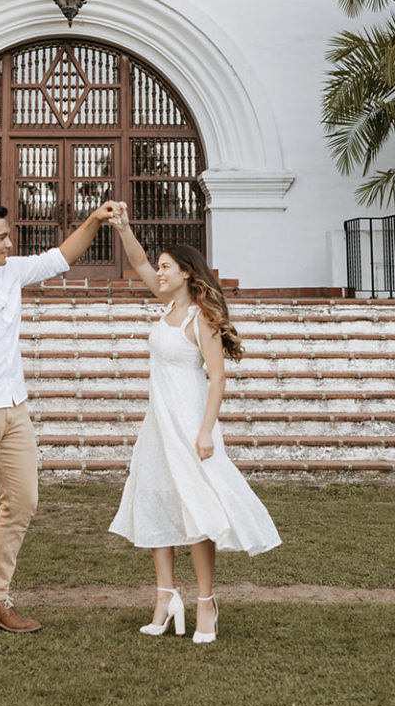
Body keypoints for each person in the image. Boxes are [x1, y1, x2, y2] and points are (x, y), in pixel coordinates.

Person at [0, 199, 119, 649]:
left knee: (25, 501)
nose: (10, 244)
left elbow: (63, 257)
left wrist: (94, 219)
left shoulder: (10, 272)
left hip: (15, 410)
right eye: (3, 238)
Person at [108, 205, 281, 643]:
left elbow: (217, 377)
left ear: (186, 273)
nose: (158, 273)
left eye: (167, 268)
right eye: (160, 268)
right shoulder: (166, 304)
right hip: (158, 421)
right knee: (156, 502)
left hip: (189, 422)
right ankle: (165, 597)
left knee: (197, 509)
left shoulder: (199, 317)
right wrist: (125, 228)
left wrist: (205, 431)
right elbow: (140, 262)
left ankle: (206, 601)